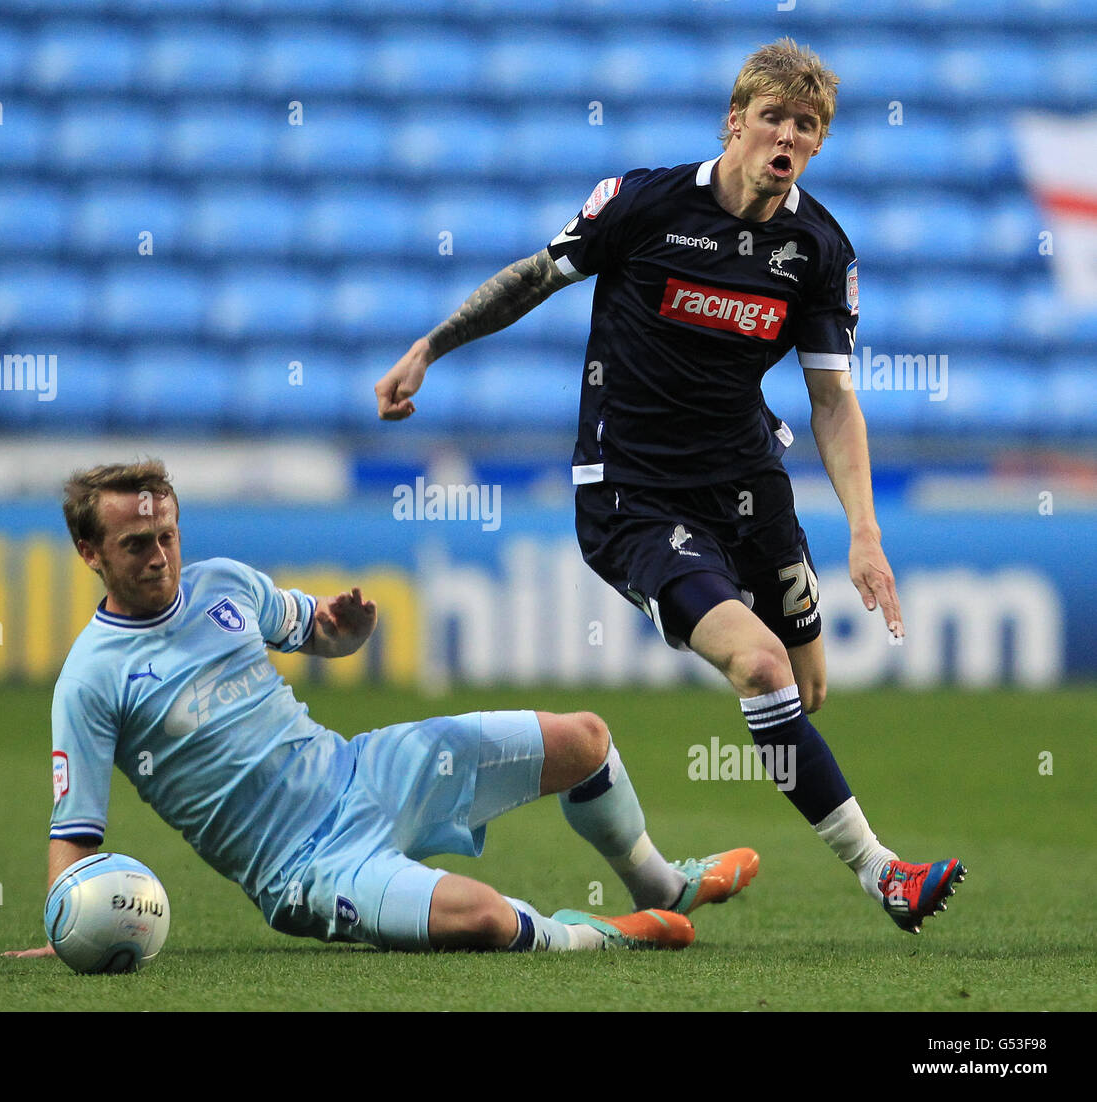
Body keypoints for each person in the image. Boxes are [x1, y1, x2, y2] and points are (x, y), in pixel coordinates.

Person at [375, 38, 963, 933]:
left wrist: (866, 532)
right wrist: (431, 347)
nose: (787, 138)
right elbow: (534, 279)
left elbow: (834, 401)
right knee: (760, 665)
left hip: (749, 483)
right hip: (633, 491)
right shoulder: (643, 203)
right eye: (773, 118)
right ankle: (885, 874)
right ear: (735, 123)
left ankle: (657, 875)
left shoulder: (817, 248)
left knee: (804, 689)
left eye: (806, 128)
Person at [4, 460, 758, 960]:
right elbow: (76, 829)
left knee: (585, 741)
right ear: (87, 550)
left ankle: (658, 883)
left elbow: (315, 630)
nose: (161, 557)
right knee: (485, 920)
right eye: (137, 544)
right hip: (304, 865)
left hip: (365, 769)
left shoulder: (224, 584)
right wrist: (65, 920)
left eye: (167, 535)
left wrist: (343, 631)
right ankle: (591, 936)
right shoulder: (91, 680)